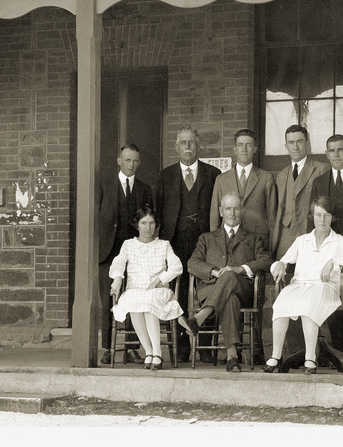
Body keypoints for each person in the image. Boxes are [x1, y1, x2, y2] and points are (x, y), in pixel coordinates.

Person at [265, 196, 343, 374]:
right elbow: (284, 260)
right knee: (280, 304)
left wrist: (335, 261)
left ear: (332, 217)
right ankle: (275, 356)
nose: (322, 220)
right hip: (300, 286)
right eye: (318, 215)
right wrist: (279, 264)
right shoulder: (302, 241)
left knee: (309, 306)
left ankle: (310, 358)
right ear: (312, 217)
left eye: (326, 215)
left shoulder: (341, 241)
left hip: (326, 288)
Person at [181, 193, 272, 372]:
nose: (232, 212)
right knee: (230, 298)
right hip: (211, 288)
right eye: (228, 208)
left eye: (236, 208)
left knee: (230, 274)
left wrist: (239, 269)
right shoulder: (207, 238)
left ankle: (199, 319)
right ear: (221, 211)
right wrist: (214, 272)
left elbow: (266, 261)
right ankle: (232, 357)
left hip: (243, 288)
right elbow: (192, 263)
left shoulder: (253, 238)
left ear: (242, 211)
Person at [156, 126, 222, 362]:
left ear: (198, 146)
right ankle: (181, 349)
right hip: (175, 242)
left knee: (207, 291)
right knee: (177, 294)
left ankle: (205, 350)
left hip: (205, 242)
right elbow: (159, 210)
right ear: (176, 147)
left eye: (191, 142)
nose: (187, 147)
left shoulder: (213, 174)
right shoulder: (165, 176)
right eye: (183, 142)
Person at [96, 143, 153, 365]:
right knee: (108, 300)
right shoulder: (103, 185)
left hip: (135, 256)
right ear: (119, 161)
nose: (131, 164)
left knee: (135, 300)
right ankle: (108, 348)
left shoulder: (143, 189)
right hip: (108, 252)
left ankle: (130, 348)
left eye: (135, 161)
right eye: (127, 160)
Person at [108, 206, 184, 370]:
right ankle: (149, 351)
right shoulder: (128, 245)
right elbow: (119, 263)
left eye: (151, 223)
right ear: (137, 225)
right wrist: (117, 278)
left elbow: (176, 267)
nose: (147, 227)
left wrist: (159, 280)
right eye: (143, 223)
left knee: (148, 301)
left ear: (156, 225)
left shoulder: (164, 245)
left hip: (158, 291)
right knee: (134, 300)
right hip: (135, 288)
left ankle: (157, 352)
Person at [308, 134, 343, 361]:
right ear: (326, 154)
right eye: (331, 150)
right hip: (329, 250)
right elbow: (313, 219)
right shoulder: (320, 183)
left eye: (340, 150)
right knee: (333, 299)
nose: (336, 154)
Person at [209, 129, 278, 256]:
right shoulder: (221, 179)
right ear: (235, 149)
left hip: (258, 241)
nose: (244, 149)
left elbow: (272, 218)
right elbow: (214, 219)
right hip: (229, 241)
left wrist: (271, 248)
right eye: (240, 145)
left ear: (255, 149)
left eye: (249, 145)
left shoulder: (266, 178)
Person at [273, 124, 329, 259]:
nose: (295, 147)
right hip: (285, 237)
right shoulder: (281, 175)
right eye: (291, 142)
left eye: (299, 142)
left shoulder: (321, 169)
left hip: (311, 233)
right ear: (286, 146)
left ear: (307, 144)